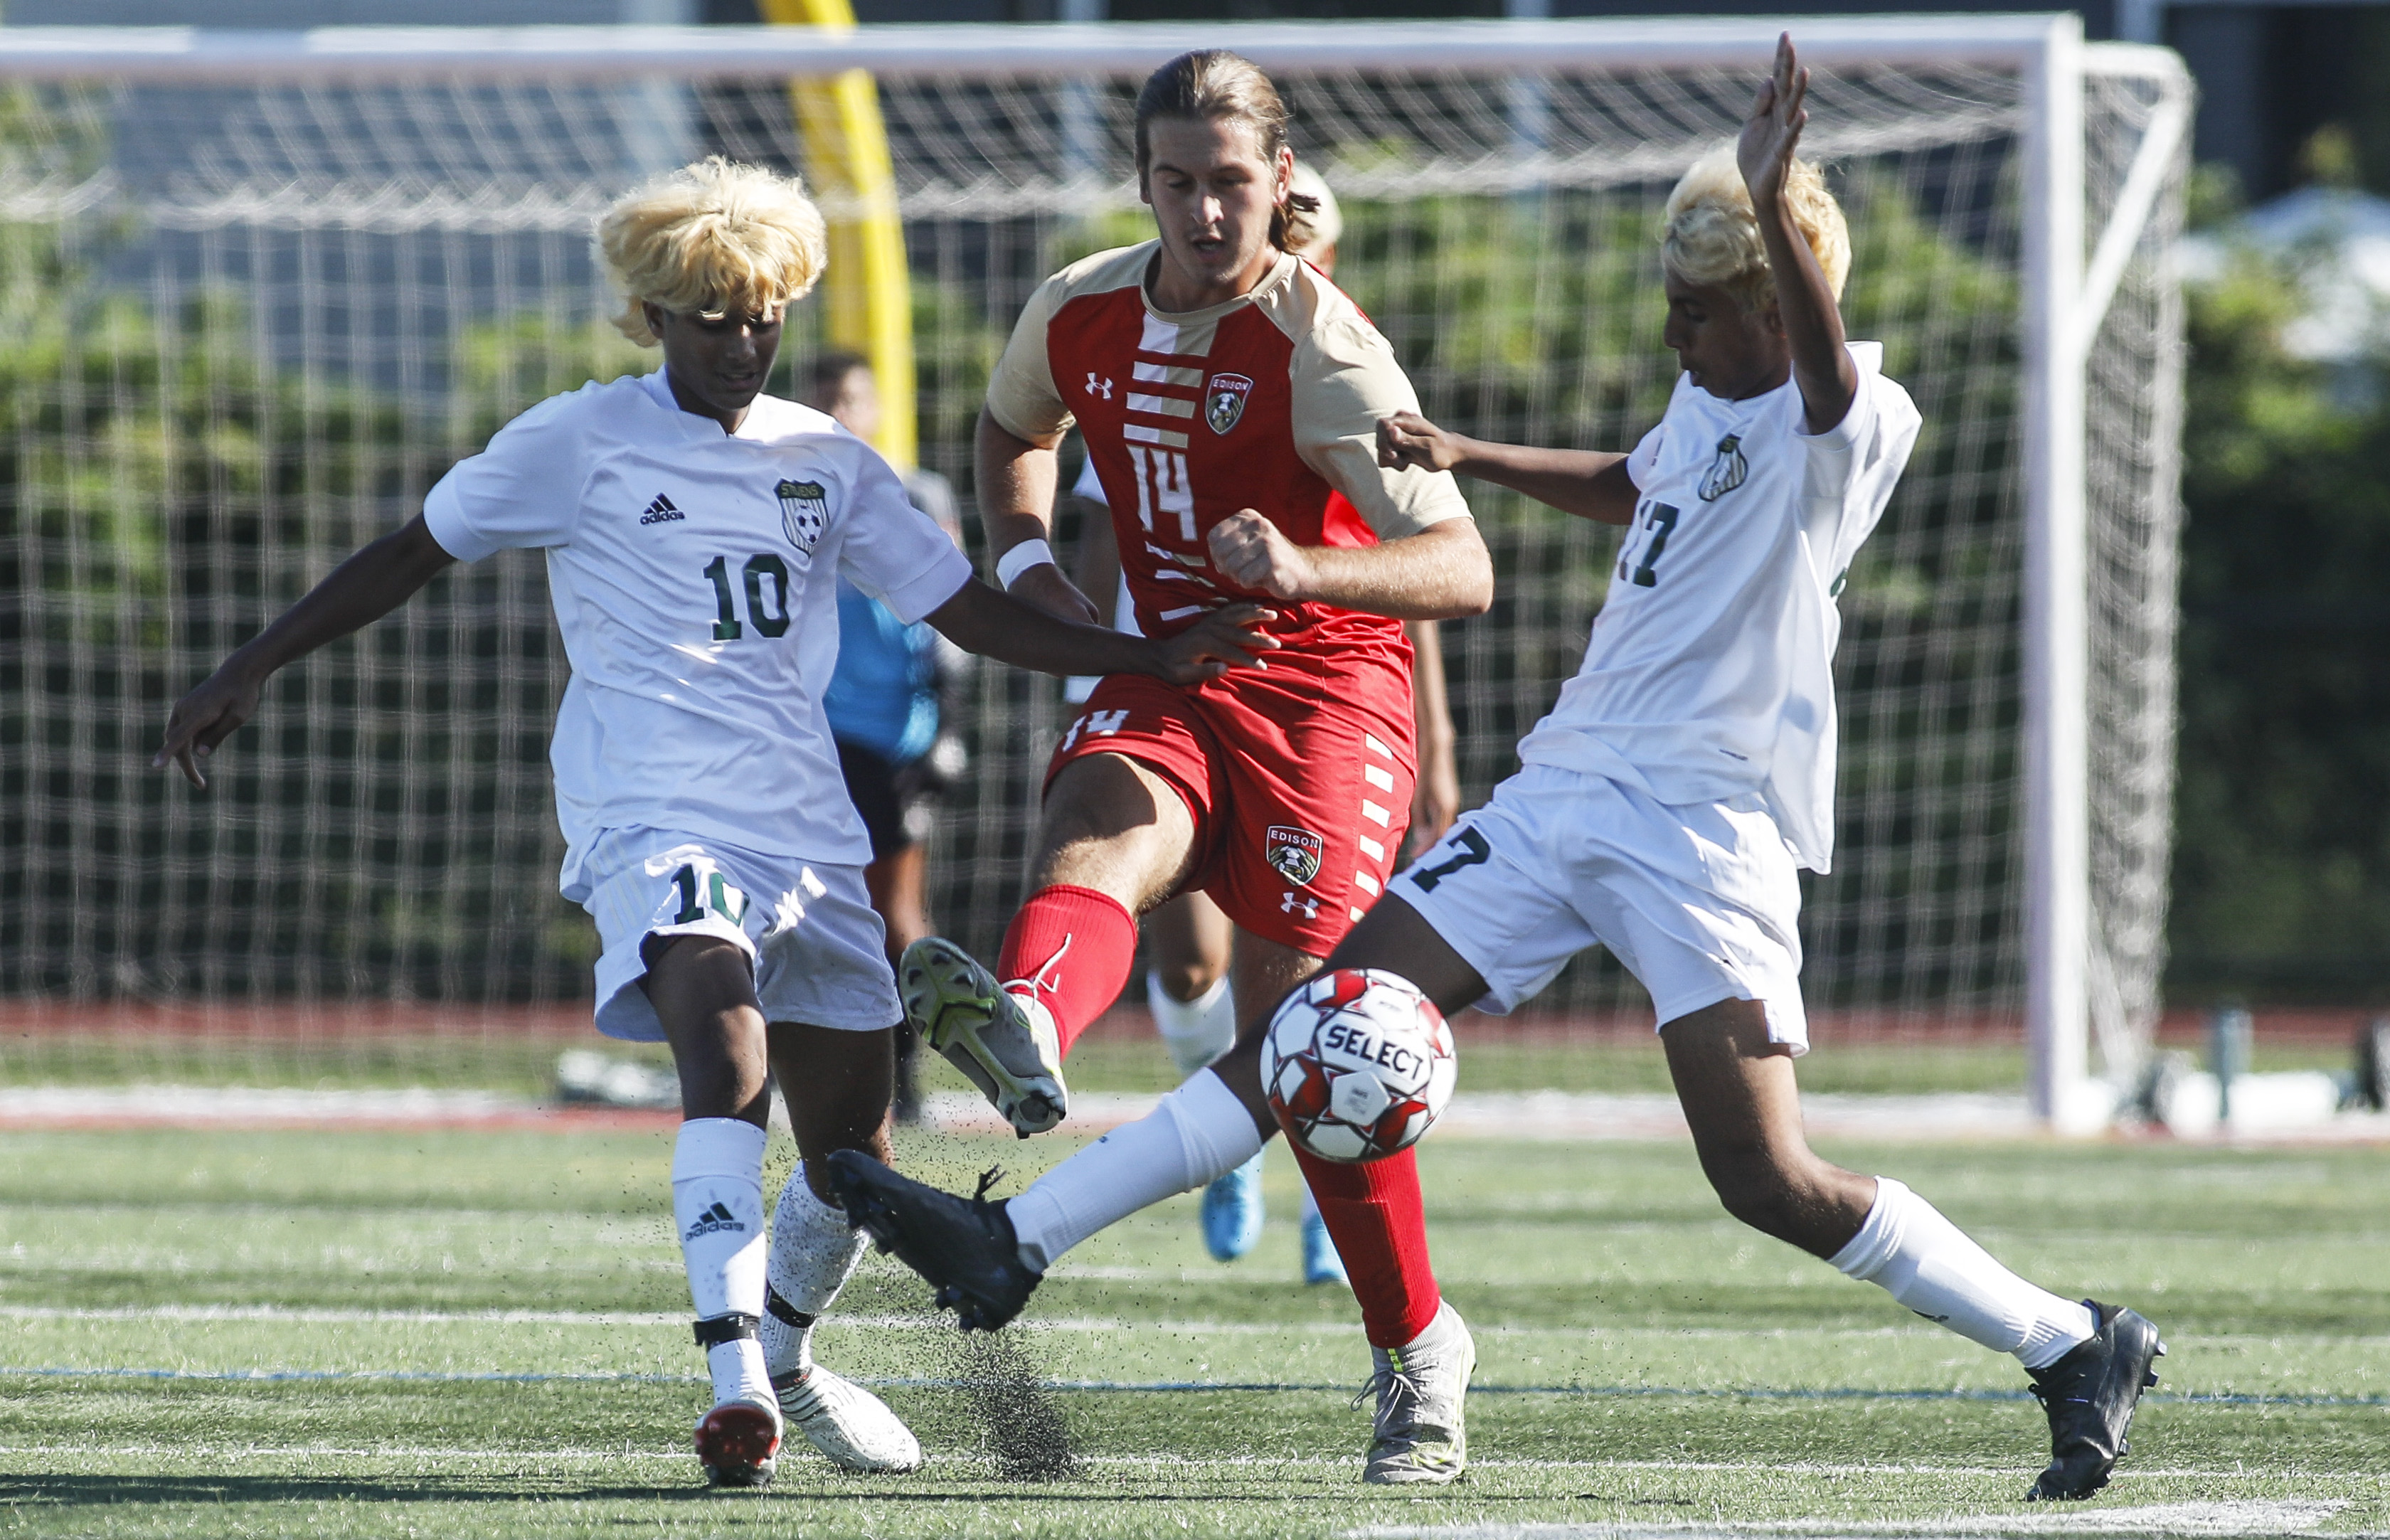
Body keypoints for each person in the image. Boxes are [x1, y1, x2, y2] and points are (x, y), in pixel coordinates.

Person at [822, 37, 2166, 1502]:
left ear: (1776, 306)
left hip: (1704, 826)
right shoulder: (1715, 404)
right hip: (1570, 784)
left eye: (1699, 308)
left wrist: (1780, 201)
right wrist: (1471, 448)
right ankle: (1015, 1240)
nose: (1673, 329)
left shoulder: (1846, 420)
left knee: (1766, 1176)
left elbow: (1821, 371)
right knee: (1319, 1019)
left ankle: (2067, 1338)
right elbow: (1639, 481)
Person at [152, 158, 1272, 1489]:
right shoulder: (578, 438)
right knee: (719, 1026)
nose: (742, 345)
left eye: (763, 320)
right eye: (712, 321)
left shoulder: (829, 462)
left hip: (806, 834)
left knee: (853, 1154)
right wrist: (249, 667)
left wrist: (1155, 656)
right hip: (650, 810)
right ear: (654, 317)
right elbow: (409, 551)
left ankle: (791, 1356)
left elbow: (967, 609)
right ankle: (735, 1383)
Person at [844, 48, 1493, 1484]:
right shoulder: (1081, 308)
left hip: (1329, 699)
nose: (1207, 213)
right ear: (1146, 182)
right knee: (1090, 816)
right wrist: (1023, 557)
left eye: (1233, 185)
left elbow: (1465, 564)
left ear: (1279, 182)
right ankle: (1026, 1022)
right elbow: (1012, 427)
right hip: (1170, 660)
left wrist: (1311, 560)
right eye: (1180, 183)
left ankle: (1418, 1348)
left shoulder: (1327, 349)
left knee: (1310, 1053)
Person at [1059, 162, 1460, 1282]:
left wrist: (1436, 740)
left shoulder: (1343, 364)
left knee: (1303, 998)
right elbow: (1097, 539)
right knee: (1187, 962)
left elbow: (1410, 574)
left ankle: (1327, 1202)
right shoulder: (1140, 353)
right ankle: (1227, 1147)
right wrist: (1093, 667)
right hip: (1176, 684)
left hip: (1319, 709)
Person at [809, 350, 967, 1123]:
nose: (840, 413)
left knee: (897, 916)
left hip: (895, 738)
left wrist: (950, 728)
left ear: (873, 407)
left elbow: (953, 614)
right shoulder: (785, 486)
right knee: (798, 910)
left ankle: (910, 1081)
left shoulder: (916, 491)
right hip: (814, 731)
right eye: (826, 397)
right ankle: (786, 1069)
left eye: (852, 398)